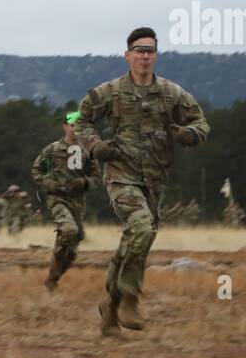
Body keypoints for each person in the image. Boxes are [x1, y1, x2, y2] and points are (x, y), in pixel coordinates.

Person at [74, 27, 209, 336]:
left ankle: (112, 304)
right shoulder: (110, 91)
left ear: (156, 55)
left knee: (138, 239)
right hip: (120, 174)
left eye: (150, 50)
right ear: (128, 55)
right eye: (139, 50)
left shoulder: (171, 93)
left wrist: (188, 134)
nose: (145, 55)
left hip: (155, 178)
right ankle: (131, 297)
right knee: (142, 228)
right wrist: (95, 145)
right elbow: (76, 119)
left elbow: (201, 123)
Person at [31, 110, 100, 291]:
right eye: (72, 125)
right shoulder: (52, 149)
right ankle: (56, 262)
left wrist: (85, 182)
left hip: (77, 202)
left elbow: (97, 178)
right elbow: (37, 171)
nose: (76, 129)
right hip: (57, 198)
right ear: (65, 126)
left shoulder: (86, 152)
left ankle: (53, 278)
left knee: (72, 252)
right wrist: (49, 184)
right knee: (69, 230)